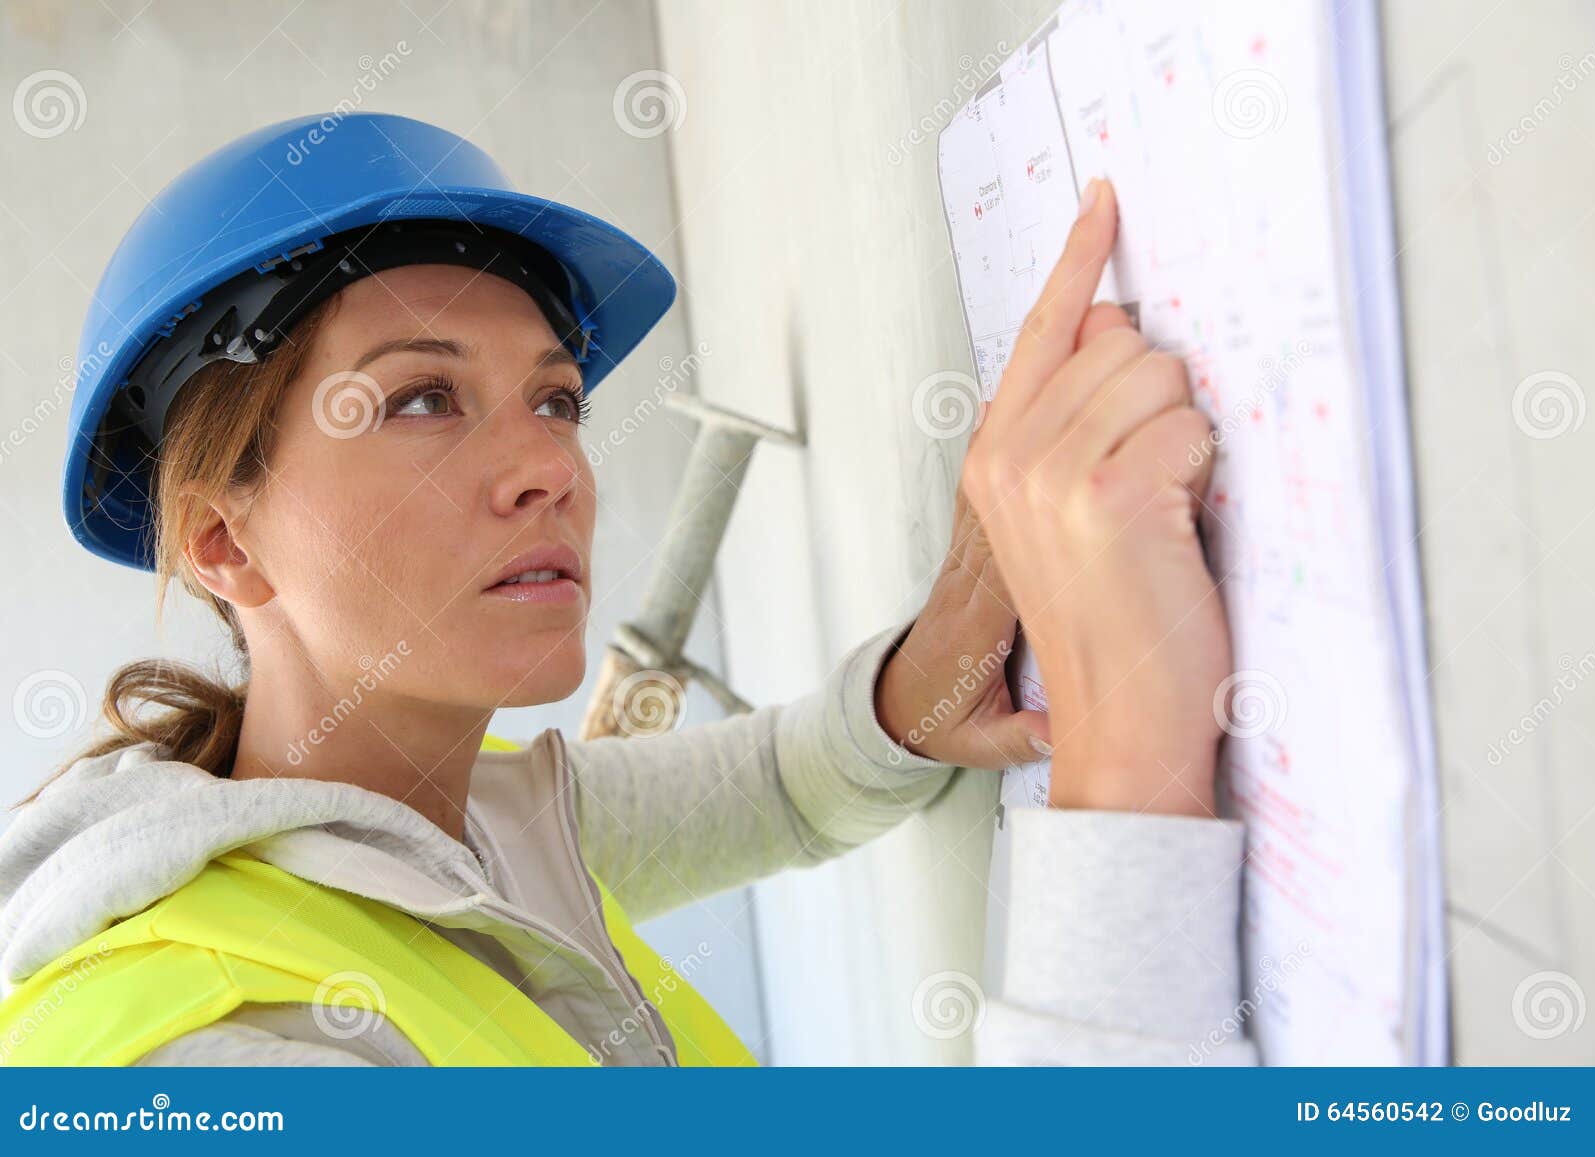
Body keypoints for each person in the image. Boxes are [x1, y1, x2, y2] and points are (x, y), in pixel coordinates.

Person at [0, 113, 1254, 1066]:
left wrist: (918, 685)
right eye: (422, 399)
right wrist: (1126, 754)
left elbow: (781, 788)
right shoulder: (214, 1050)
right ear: (223, 541)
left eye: (555, 400)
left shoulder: (464, 820)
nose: (548, 467)